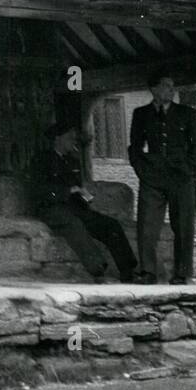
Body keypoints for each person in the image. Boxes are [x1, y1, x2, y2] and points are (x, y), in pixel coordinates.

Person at [31, 121, 137, 283]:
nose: (74, 141)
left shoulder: (72, 161)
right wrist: (66, 192)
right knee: (75, 225)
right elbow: (38, 190)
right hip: (51, 208)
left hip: (74, 206)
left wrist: (83, 195)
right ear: (58, 139)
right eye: (70, 138)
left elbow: (77, 186)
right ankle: (98, 270)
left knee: (110, 225)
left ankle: (128, 270)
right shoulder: (41, 160)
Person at [128, 73, 196, 284]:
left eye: (172, 85)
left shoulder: (187, 114)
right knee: (147, 225)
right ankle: (148, 272)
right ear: (154, 89)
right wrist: (143, 171)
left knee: (184, 226)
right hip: (153, 178)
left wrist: (190, 169)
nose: (171, 89)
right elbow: (135, 147)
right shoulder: (141, 114)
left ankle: (182, 274)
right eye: (166, 85)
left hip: (181, 178)